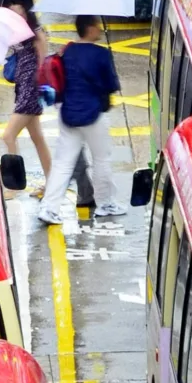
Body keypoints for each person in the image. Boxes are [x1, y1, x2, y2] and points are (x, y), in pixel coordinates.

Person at [37, 15, 121, 227]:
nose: (100, 30)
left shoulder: (67, 51)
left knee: (63, 163)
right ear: (90, 29)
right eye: (98, 26)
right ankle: (105, 204)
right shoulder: (101, 54)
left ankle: (49, 208)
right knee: (101, 159)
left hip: (68, 114)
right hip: (93, 115)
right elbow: (111, 85)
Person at [0, 0, 53, 188]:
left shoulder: (37, 33)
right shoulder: (18, 32)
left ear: (24, 7)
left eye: (15, 5)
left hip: (31, 90)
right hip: (23, 88)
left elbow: (42, 63)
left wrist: (39, 88)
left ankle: (14, 185)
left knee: (8, 135)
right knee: (37, 138)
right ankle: (51, 182)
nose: (12, 8)